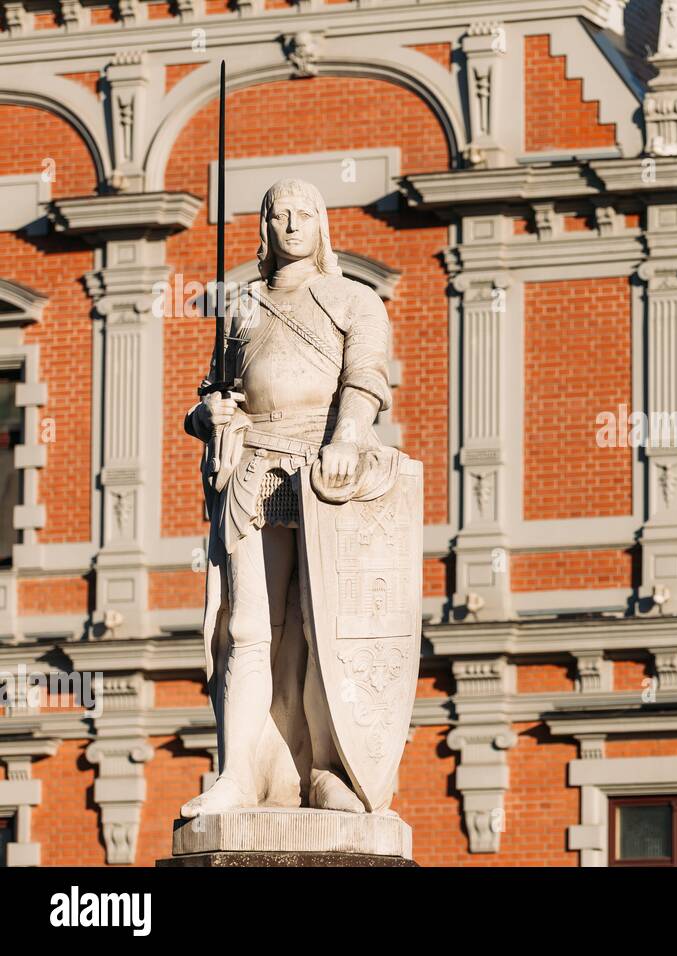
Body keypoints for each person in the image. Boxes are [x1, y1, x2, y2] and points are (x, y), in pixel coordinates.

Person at [180, 178, 394, 817]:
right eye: (280, 213)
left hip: (326, 479)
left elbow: (366, 380)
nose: (292, 223)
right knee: (248, 628)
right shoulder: (242, 306)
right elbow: (212, 395)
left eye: (305, 212)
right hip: (252, 471)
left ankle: (330, 769)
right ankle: (237, 776)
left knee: (323, 628)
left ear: (323, 223)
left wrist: (348, 437)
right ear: (265, 227)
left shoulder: (355, 301)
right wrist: (208, 414)